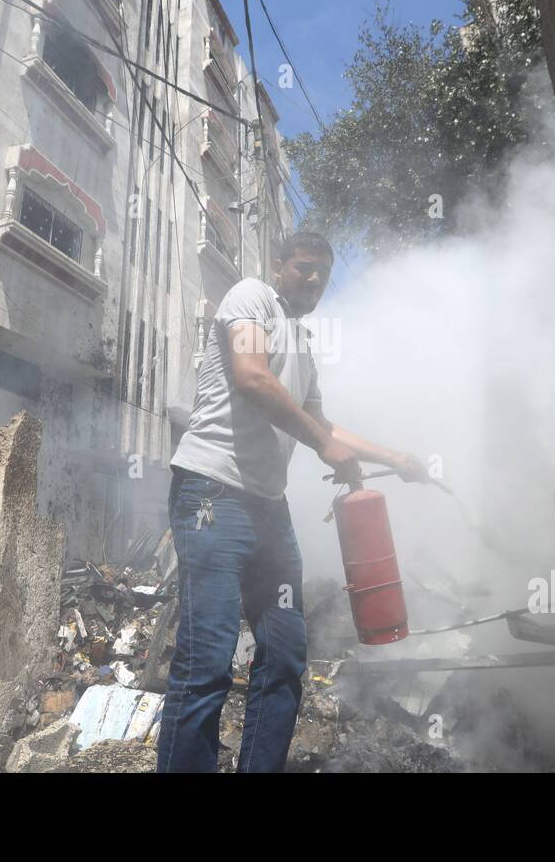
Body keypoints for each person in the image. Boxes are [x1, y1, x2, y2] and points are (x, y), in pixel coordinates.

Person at [155, 230, 427, 772]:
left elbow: (324, 424)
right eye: (304, 267)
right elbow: (253, 378)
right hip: (213, 493)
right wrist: (324, 444)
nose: (315, 280)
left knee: (283, 657)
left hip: (267, 510)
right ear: (279, 266)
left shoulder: (302, 345)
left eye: (323, 273)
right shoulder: (250, 297)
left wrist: (394, 457)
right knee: (207, 660)